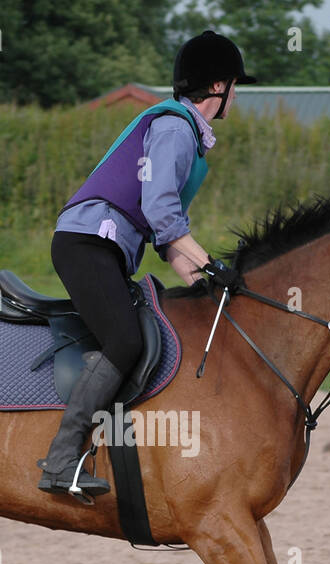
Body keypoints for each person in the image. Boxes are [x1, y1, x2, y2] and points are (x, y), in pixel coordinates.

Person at [37, 30, 256, 501]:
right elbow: (162, 215)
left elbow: (167, 239)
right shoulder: (176, 129)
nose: (236, 96)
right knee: (124, 339)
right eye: (235, 86)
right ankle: (60, 463)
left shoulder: (182, 131)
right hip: (88, 243)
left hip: (103, 245)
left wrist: (211, 285)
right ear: (217, 88)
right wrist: (210, 263)